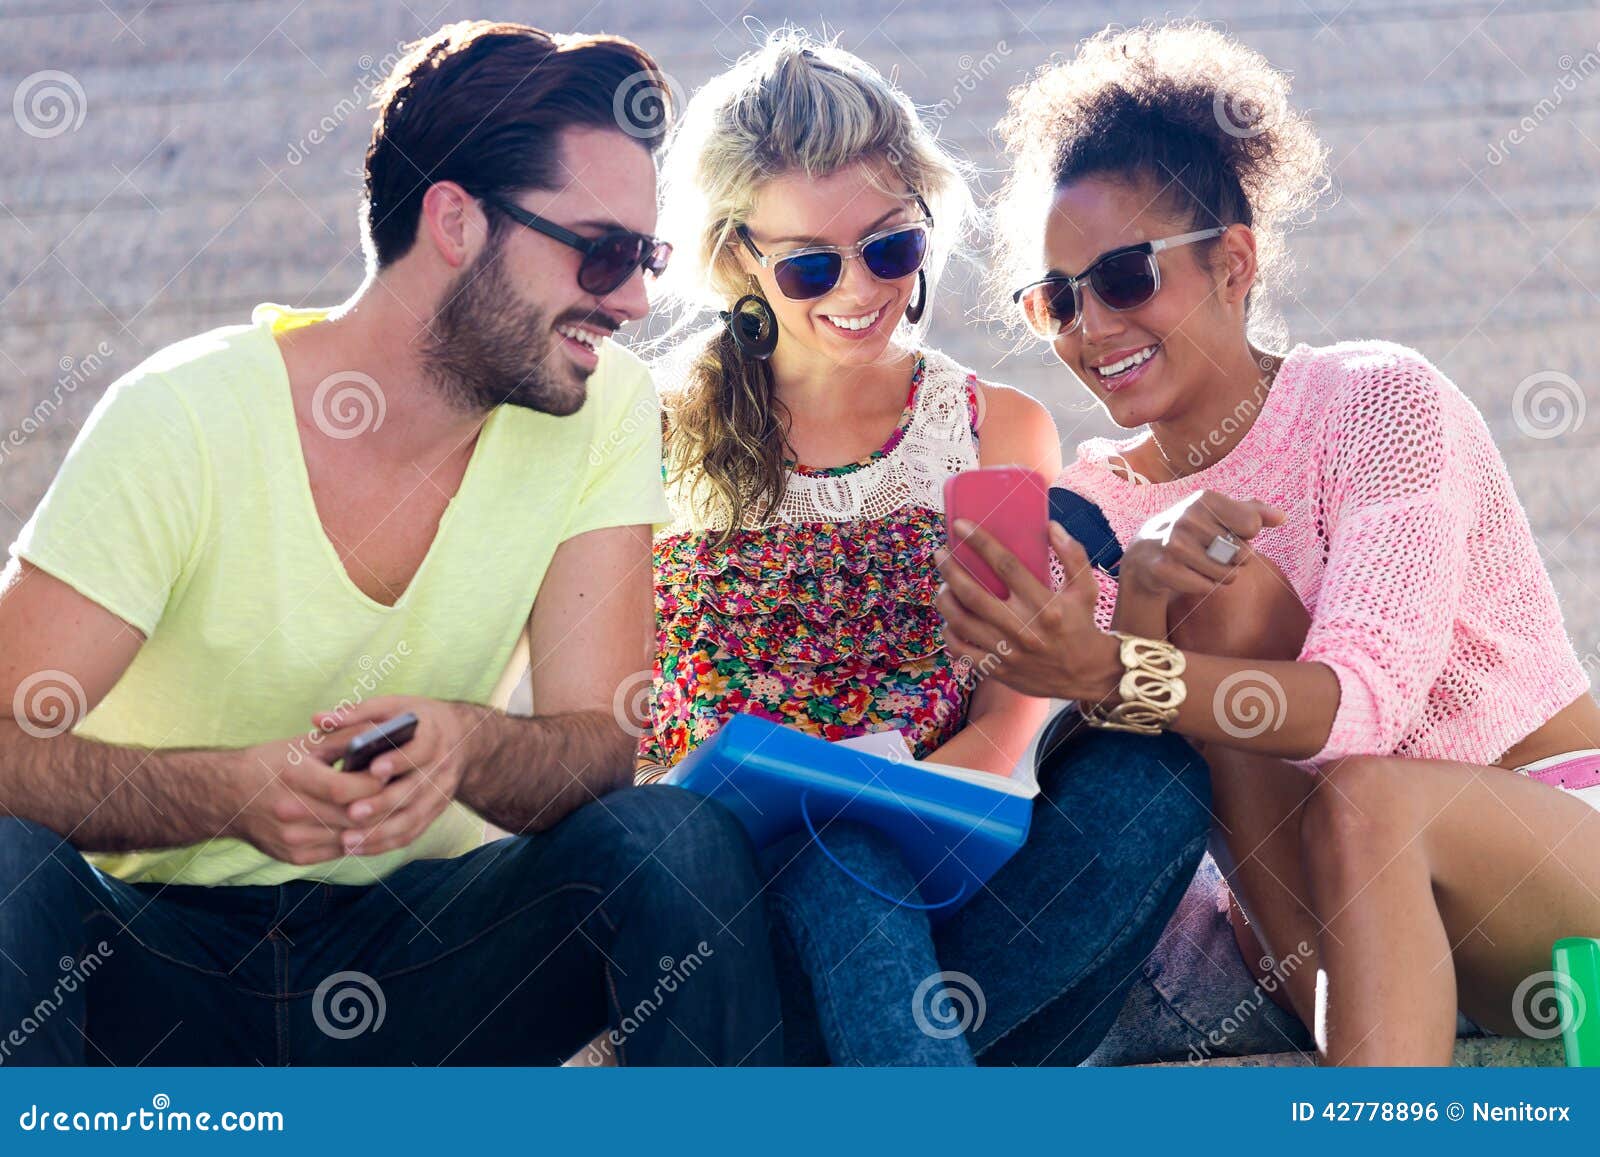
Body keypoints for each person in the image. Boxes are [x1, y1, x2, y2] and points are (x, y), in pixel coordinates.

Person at [0, 20, 781, 1067]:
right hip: (150, 966)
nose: (635, 300)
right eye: (601, 252)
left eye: (645, 258)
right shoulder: (184, 417)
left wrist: (467, 743)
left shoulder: (601, 407)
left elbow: (600, 744)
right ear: (455, 221)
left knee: (675, 845)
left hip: (427, 958)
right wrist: (231, 790)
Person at [941, 20, 1600, 1065]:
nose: (1088, 328)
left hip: (1549, 859)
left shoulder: (1377, 402)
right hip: (1318, 931)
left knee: (1363, 783)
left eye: (1121, 277)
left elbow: (1364, 705)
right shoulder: (1096, 502)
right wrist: (1134, 614)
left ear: (1233, 262)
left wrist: (1121, 659)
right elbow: (1099, 771)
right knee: (1220, 601)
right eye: (1055, 299)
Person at [636, 30, 1212, 1066]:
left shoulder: (993, 427)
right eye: (811, 266)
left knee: (1152, 787)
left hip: (951, 894)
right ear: (737, 261)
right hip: (723, 934)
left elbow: (1004, 723)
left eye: (891, 249)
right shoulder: (648, 433)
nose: (860, 291)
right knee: (836, 851)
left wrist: (922, 791)